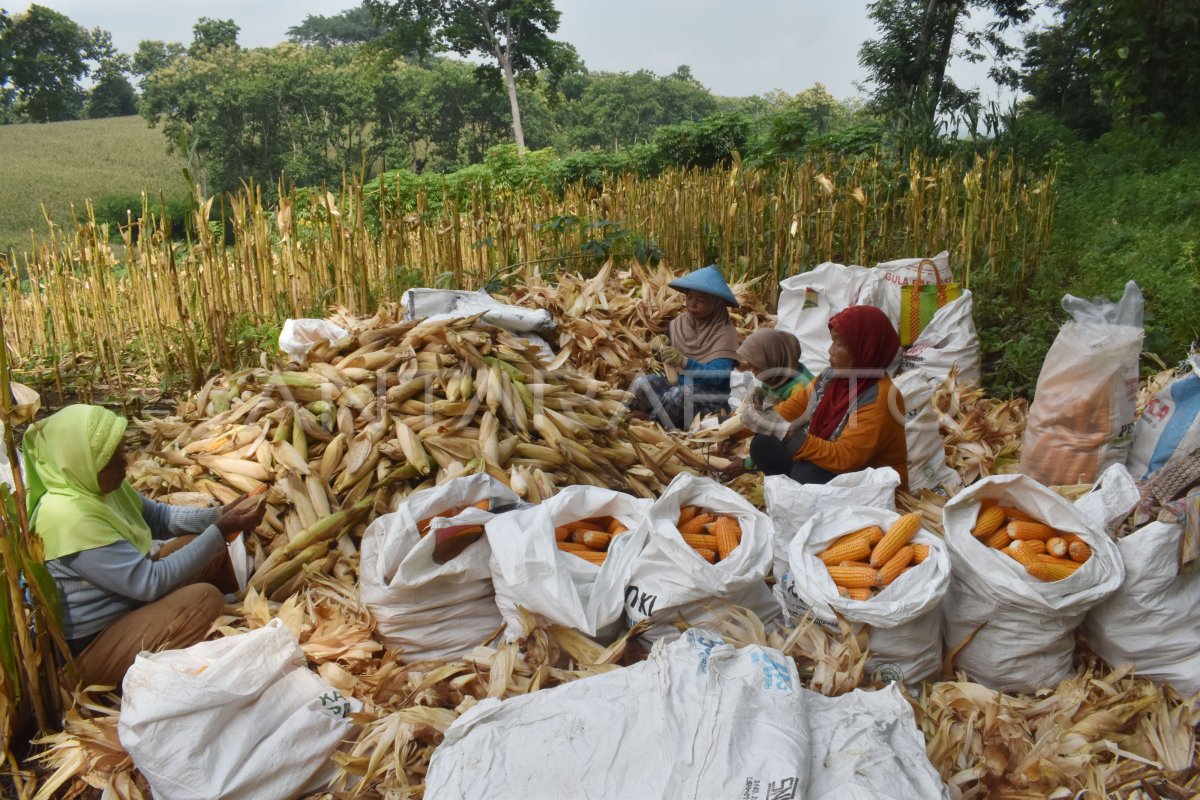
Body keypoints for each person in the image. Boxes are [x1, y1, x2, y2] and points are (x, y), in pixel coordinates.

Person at [24, 404, 266, 688]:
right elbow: (148, 582)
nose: (124, 464)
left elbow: (157, 517)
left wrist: (218, 516)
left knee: (196, 545)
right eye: (112, 461)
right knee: (203, 600)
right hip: (95, 643)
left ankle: (233, 615)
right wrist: (219, 532)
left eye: (121, 453)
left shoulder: (93, 487)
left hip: (125, 603)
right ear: (79, 463)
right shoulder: (67, 518)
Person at [734, 305, 908, 487]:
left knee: (807, 475)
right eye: (832, 341)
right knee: (763, 445)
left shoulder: (880, 396)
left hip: (868, 482)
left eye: (839, 344)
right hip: (831, 464)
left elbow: (845, 458)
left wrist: (786, 434)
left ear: (865, 349)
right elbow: (791, 409)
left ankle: (796, 495)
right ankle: (788, 493)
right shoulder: (831, 377)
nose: (830, 350)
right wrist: (738, 430)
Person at [626, 264, 741, 429]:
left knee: (680, 395)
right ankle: (629, 416)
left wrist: (685, 362)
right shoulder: (680, 323)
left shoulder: (725, 332)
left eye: (701, 300)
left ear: (716, 304)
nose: (693, 304)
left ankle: (652, 424)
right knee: (643, 383)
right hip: (677, 386)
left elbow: (718, 375)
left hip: (711, 398)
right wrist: (659, 348)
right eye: (690, 298)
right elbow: (666, 358)